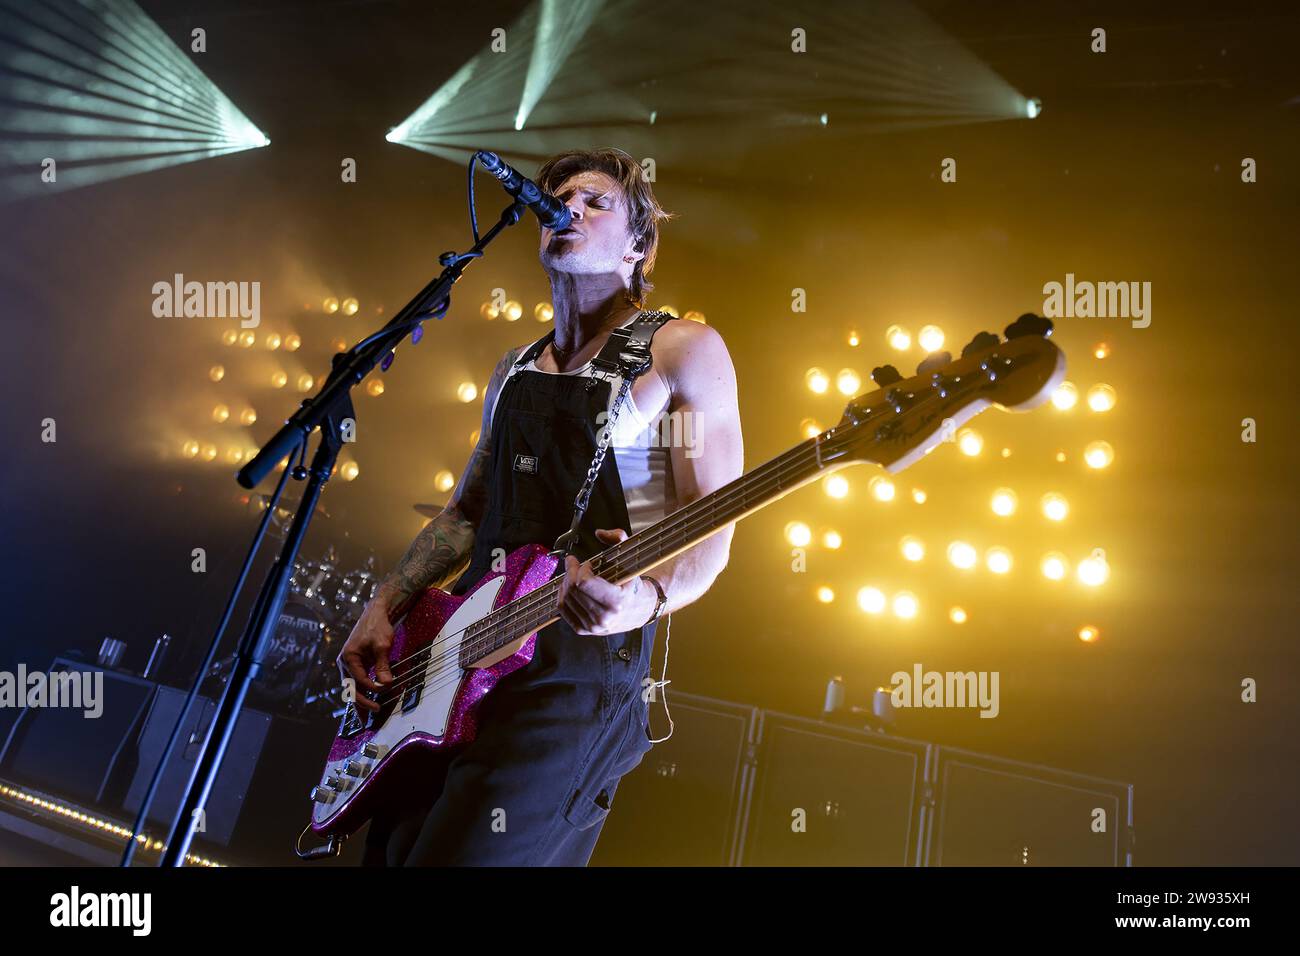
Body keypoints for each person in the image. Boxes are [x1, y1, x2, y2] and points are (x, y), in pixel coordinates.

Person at [341, 146, 744, 865]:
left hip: (571, 675)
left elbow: (712, 522)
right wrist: (388, 602)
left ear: (639, 243)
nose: (568, 208)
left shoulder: (680, 351)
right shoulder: (515, 367)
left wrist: (646, 599)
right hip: (456, 664)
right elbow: (466, 512)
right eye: (558, 197)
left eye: (596, 202)